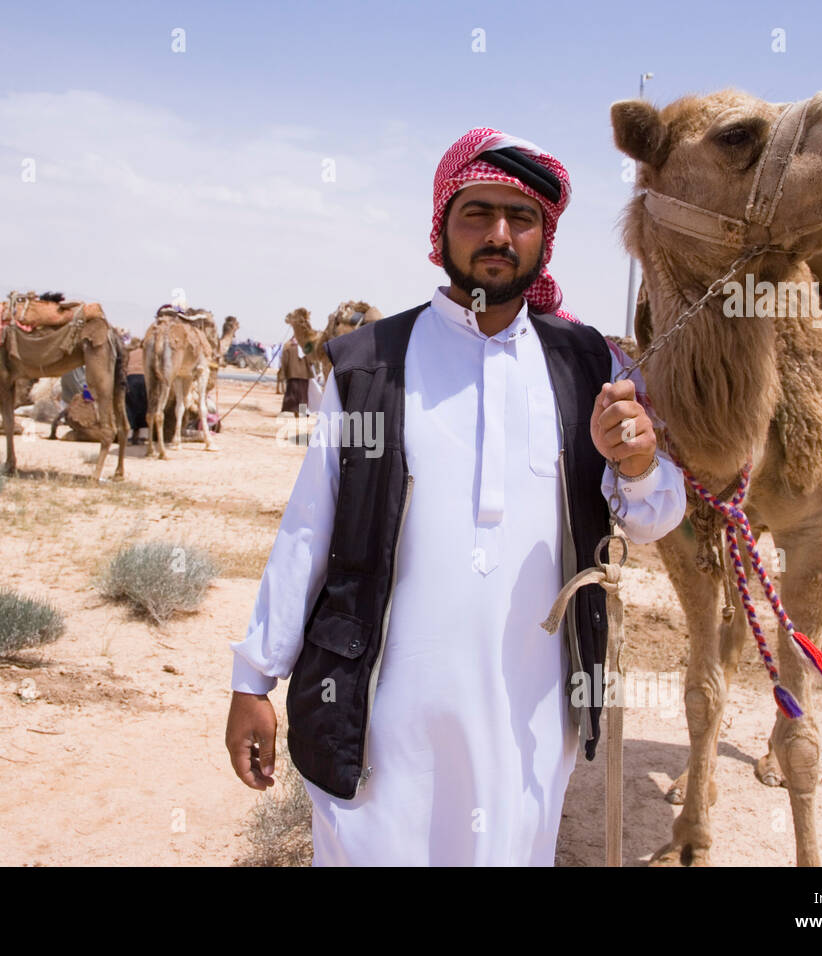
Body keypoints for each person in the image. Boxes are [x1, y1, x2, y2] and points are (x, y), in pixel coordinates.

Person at [224, 127, 688, 866]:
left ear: (545, 237)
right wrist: (254, 678)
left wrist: (637, 463)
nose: (498, 235)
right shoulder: (373, 364)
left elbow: (656, 518)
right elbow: (309, 531)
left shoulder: (584, 365)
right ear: (441, 226)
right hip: (382, 705)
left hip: (529, 717)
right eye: (477, 213)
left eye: (521, 217)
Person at [278, 338, 314, 415]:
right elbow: (311, 361)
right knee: (303, 394)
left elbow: (284, 362)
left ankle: (291, 410)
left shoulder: (287, 347)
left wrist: (283, 374)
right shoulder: (306, 348)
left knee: (292, 393)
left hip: (292, 374)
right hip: (304, 375)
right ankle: (302, 411)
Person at [125, 342, 148, 444]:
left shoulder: (130, 354)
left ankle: (129, 436)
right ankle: (142, 436)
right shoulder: (146, 353)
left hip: (129, 378)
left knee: (129, 407)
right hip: (144, 378)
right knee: (143, 406)